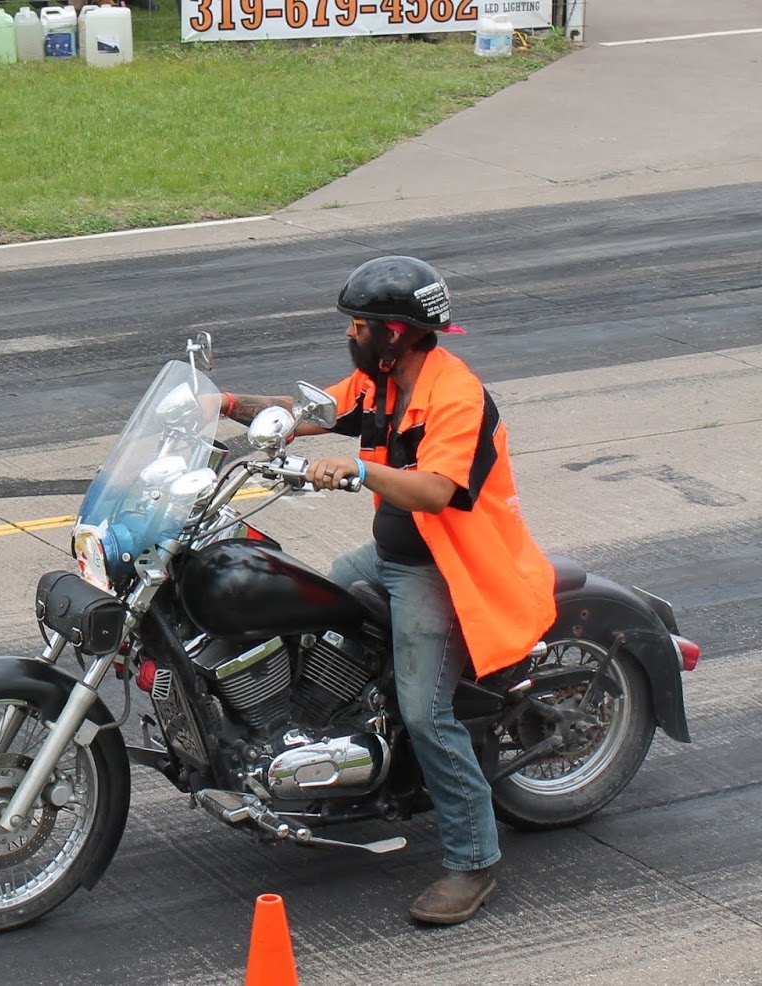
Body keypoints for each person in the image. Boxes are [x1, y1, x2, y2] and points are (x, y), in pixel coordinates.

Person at [218, 255, 556, 925]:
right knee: (302, 617)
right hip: (388, 555)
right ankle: (318, 751)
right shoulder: (379, 384)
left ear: (394, 334)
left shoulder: (455, 395)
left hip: (443, 566)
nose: (350, 335)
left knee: (428, 712)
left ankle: (473, 862)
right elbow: (304, 414)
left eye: (359, 326)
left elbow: (434, 489)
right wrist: (221, 406)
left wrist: (358, 474)